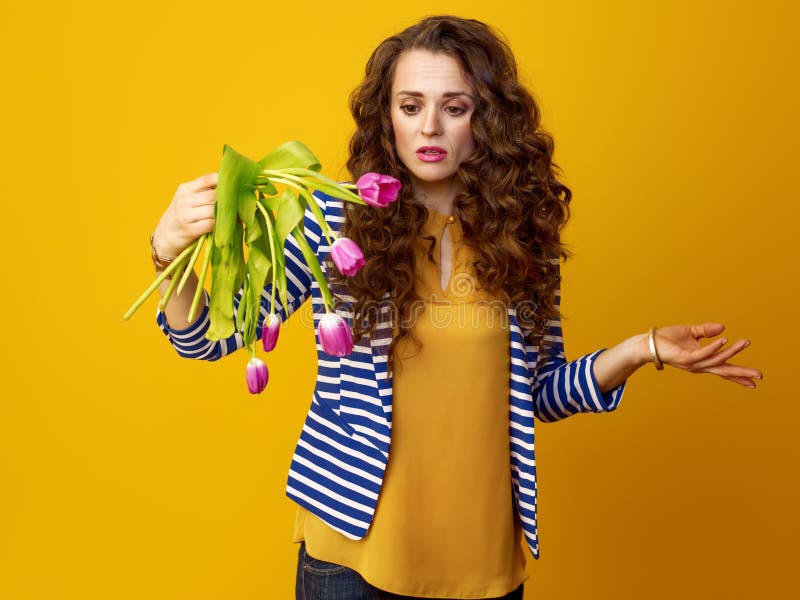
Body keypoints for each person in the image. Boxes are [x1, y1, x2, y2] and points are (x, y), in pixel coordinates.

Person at [147, 15, 763, 600]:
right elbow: (207, 338)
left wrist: (641, 350)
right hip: (351, 557)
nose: (430, 128)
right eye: (411, 106)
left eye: (455, 107)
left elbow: (540, 392)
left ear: (487, 119)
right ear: (387, 118)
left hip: (483, 562)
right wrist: (166, 250)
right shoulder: (334, 224)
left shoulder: (523, 239)